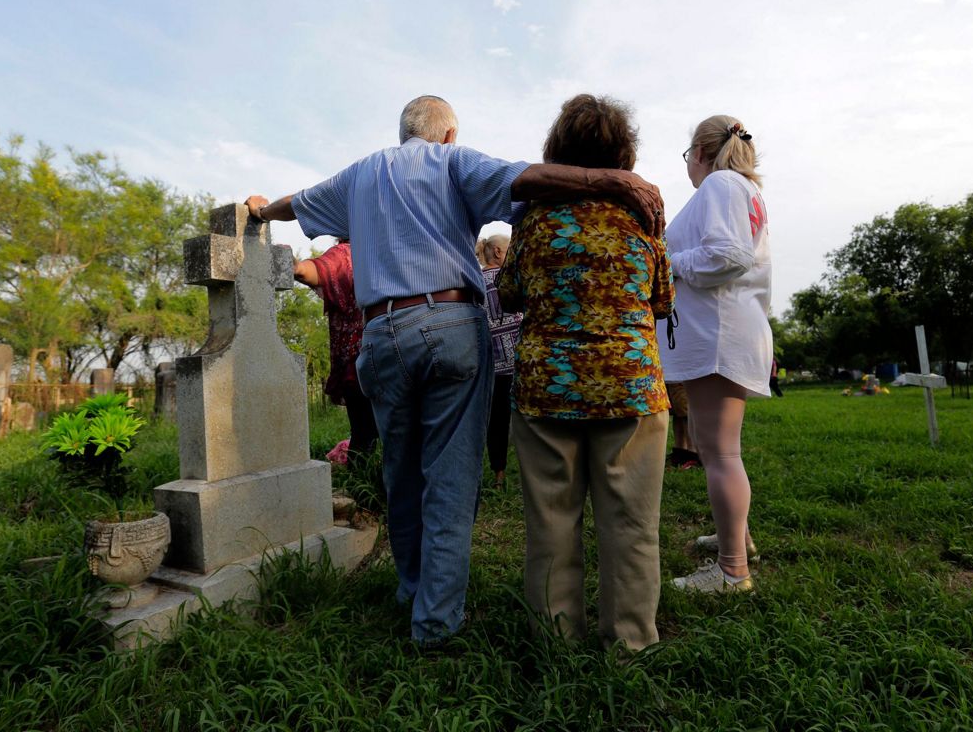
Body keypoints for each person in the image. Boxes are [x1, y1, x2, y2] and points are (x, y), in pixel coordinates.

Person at [245, 95, 665, 648]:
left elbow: (296, 203)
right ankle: (436, 623)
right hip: (449, 324)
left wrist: (259, 209)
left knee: (401, 472)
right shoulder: (453, 161)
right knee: (449, 476)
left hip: (379, 334)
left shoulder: (359, 175)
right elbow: (529, 177)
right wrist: (614, 182)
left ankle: (411, 590)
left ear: (403, 132)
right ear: (447, 134)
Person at [498, 94, 673, 651]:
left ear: (558, 152)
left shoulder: (533, 223)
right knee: (633, 528)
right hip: (631, 389)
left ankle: (554, 644)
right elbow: (662, 299)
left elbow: (508, 294)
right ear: (624, 151)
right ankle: (631, 645)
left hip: (546, 391)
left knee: (550, 525)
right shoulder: (642, 218)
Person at [663, 115, 771, 594]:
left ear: (700, 153)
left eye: (688, 156)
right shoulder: (739, 188)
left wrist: (668, 263)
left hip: (720, 331)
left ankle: (732, 572)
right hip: (724, 328)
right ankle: (738, 540)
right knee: (717, 447)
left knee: (721, 450)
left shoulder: (721, 185)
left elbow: (727, 256)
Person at [293, 239, 379, 465]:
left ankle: (368, 495)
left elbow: (313, 272)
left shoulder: (348, 252)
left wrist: (297, 268)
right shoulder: (377, 247)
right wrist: (298, 268)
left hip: (359, 362)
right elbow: (315, 271)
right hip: (389, 356)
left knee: (364, 438)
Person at [475, 234, 521, 489]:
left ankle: (499, 474)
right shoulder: (510, 279)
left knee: (497, 420)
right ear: (497, 252)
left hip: (491, 364)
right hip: (517, 358)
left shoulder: (474, 282)